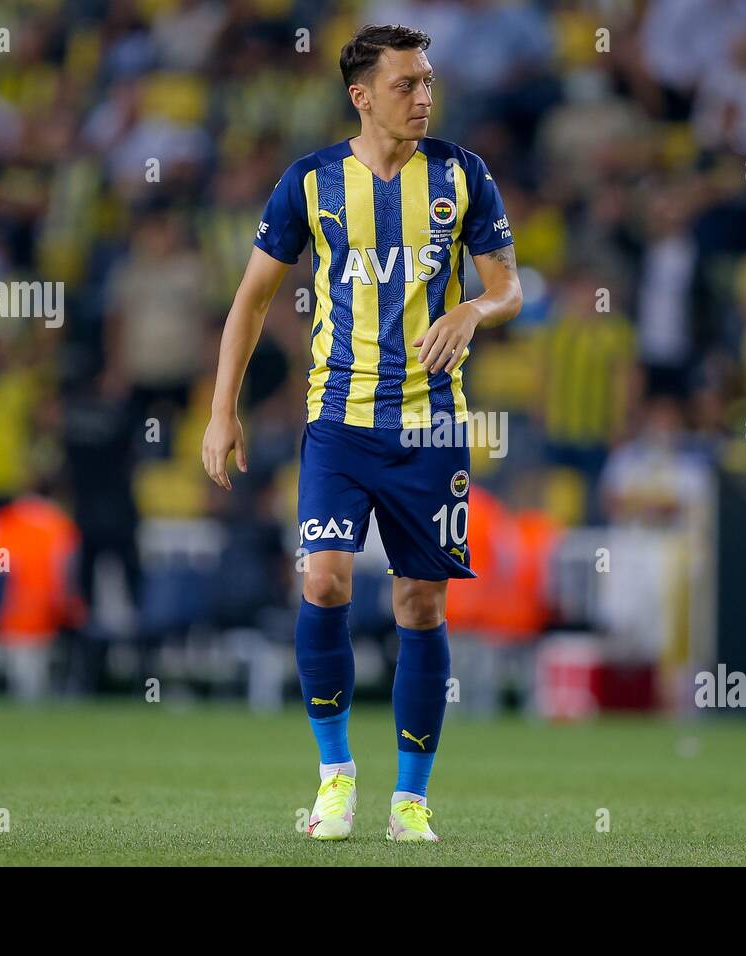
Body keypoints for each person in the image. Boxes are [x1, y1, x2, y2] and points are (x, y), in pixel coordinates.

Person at [201, 24, 521, 843]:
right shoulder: (310, 182)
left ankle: (410, 799)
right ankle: (335, 777)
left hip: (430, 425)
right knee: (326, 581)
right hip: (338, 420)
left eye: (428, 82)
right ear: (362, 94)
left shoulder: (462, 174)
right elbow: (252, 300)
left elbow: (510, 289)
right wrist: (221, 410)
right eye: (407, 83)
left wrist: (471, 309)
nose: (424, 96)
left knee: (419, 602)